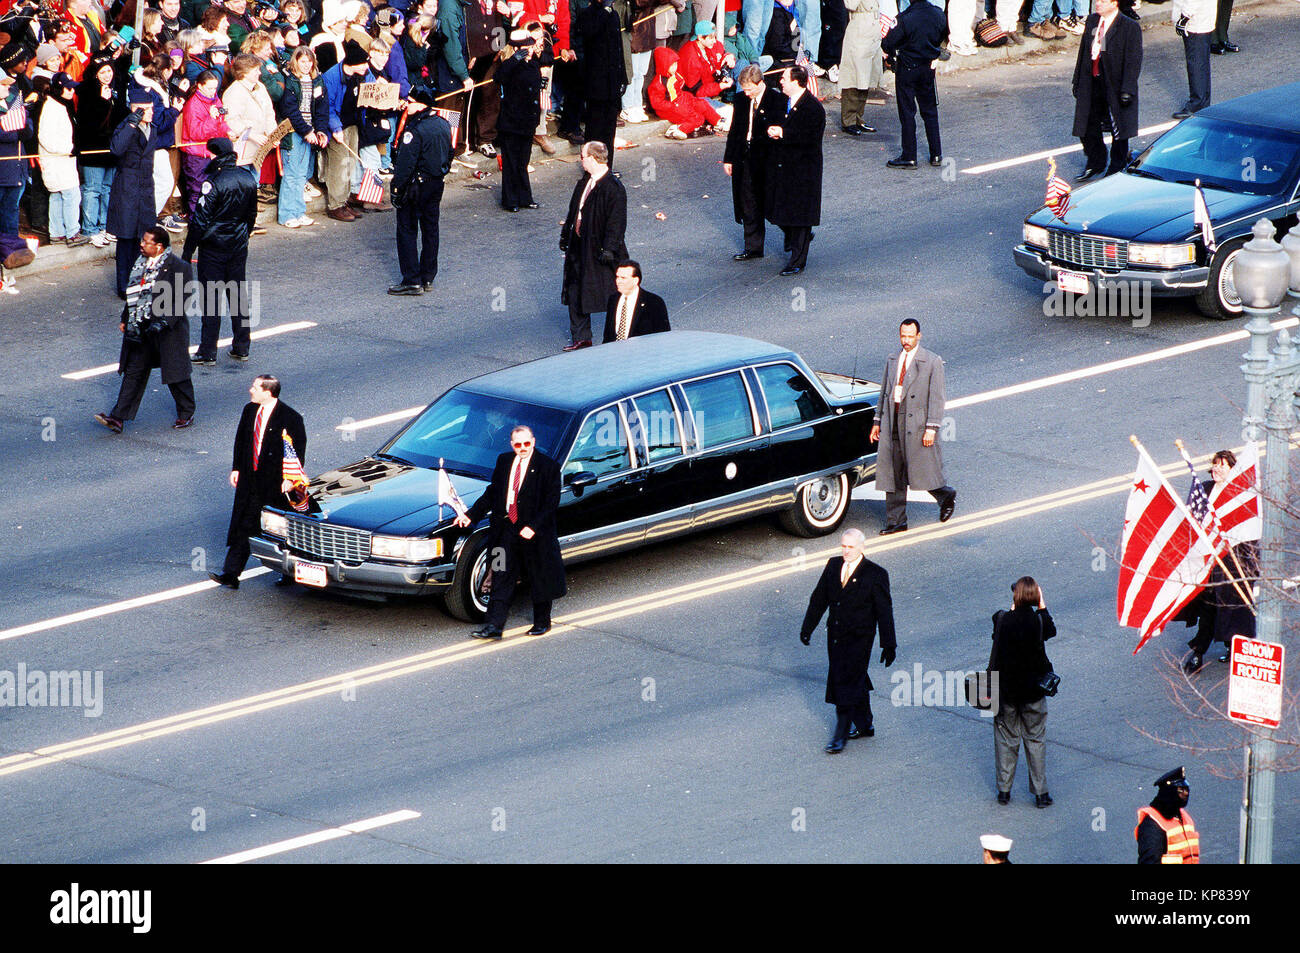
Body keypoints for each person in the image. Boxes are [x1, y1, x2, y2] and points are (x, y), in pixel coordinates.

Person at [453, 425, 567, 639]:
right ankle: (494, 626)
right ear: (511, 444)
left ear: (533, 442)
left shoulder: (547, 467)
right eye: (518, 444)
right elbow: (492, 492)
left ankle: (542, 622)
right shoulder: (504, 461)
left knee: (538, 575)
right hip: (504, 531)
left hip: (532, 534)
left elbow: (551, 503)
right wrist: (471, 514)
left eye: (526, 443)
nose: (522, 448)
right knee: (500, 574)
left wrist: (533, 527)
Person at [799, 527, 897, 753]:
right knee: (854, 678)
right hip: (835, 636)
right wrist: (808, 628)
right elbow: (819, 599)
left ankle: (840, 732)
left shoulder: (875, 574)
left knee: (844, 681)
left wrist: (888, 644)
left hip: (859, 639)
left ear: (862, 548)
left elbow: (884, 611)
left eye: (851, 547)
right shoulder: (833, 566)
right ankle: (865, 724)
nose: (846, 551)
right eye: (843, 546)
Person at [94, 227, 198, 434]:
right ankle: (118, 417)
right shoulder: (140, 263)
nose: (141, 244)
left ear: (159, 246)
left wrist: (164, 322)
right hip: (141, 328)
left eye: (146, 242)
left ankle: (186, 412)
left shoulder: (179, 267)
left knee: (176, 374)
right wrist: (126, 318)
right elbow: (134, 294)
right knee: (134, 371)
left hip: (166, 330)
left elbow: (181, 300)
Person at [212, 374, 308, 589]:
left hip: (273, 482)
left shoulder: (290, 417)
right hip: (250, 478)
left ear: (268, 392)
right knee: (244, 523)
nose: (250, 390)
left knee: (280, 529)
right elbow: (241, 441)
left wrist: (290, 480)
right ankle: (231, 574)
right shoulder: (250, 410)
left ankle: (289, 572)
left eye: (255, 387)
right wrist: (236, 468)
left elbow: (296, 452)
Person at [869, 319, 955, 533]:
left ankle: (945, 495)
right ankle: (896, 521)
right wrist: (877, 422)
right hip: (893, 421)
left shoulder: (932, 361)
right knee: (893, 472)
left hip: (916, 425)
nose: (905, 341)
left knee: (921, 470)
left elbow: (937, 398)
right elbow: (884, 393)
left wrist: (931, 428)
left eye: (910, 336)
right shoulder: (892, 359)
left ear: (919, 336)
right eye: (903, 336)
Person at [1178, 449, 1259, 674]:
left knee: (1234, 608)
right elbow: (1191, 519)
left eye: (1223, 465)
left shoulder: (1241, 495)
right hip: (1209, 562)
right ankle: (1198, 653)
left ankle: (1234, 646)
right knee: (1208, 607)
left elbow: (1249, 533)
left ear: (1233, 470)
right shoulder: (1204, 489)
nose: (1217, 469)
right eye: (1215, 464)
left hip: (1235, 563)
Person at [183, 136, 259, 364]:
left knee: (211, 300)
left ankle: (208, 351)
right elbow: (252, 214)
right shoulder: (247, 178)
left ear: (216, 155)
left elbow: (199, 221)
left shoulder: (213, 182)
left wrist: (188, 252)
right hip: (237, 245)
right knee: (237, 296)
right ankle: (242, 346)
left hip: (213, 249)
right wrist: (243, 235)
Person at [990, 576, 1056, 808]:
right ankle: (1040, 793)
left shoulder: (1002, 620)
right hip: (1033, 692)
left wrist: (1012, 607)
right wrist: (1042, 604)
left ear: (1015, 596)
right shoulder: (1038, 622)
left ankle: (1004, 791)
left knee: (1006, 740)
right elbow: (1051, 630)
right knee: (1035, 739)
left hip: (1007, 692)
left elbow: (997, 636)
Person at [559, 140, 627, 351]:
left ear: (594, 159)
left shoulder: (613, 188)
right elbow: (575, 211)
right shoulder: (585, 182)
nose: (581, 161)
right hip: (579, 244)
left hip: (600, 249)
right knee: (575, 289)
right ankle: (582, 338)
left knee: (611, 292)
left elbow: (616, 222)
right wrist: (566, 235)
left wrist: (609, 249)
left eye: (583, 157)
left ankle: (620, 333)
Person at [106, 86, 173, 298]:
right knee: (126, 240)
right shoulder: (126, 126)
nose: (151, 112)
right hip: (127, 188)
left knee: (143, 238)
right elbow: (116, 149)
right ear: (135, 109)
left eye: (151, 108)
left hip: (144, 188)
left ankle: (141, 279)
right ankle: (124, 285)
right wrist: (132, 122)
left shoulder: (151, 128)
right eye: (145, 109)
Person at [387, 84, 452, 294]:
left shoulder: (414, 130)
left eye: (411, 102)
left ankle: (411, 279)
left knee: (407, 230)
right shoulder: (444, 124)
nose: (407, 105)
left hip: (415, 186)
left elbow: (405, 165)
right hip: (436, 183)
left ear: (420, 104)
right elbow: (449, 153)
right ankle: (428, 277)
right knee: (431, 229)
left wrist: (396, 189)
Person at [1071, 0, 1141, 181]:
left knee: (1119, 127)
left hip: (1114, 83)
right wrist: (1077, 79)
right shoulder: (1093, 21)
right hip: (1092, 80)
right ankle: (1095, 162)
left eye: (1103, 1)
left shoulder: (1128, 27)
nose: (1097, 3)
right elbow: (1084, 52)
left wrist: (1128, 89)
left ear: (1115, 3)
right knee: (1087, 124)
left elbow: (1133, 61)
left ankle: (1117, 165)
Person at [764, 65, 823, 277]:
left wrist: (784, 133)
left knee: (800, 217)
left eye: (784, 78)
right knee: (776, 210)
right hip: (783, 167)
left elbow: (809, 138)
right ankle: (798, 237)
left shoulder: (813, 108)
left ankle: (797, 261)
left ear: (796, 82)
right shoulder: (785, 102)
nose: (780, 81)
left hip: (803, 170)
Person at [723, 64, 777, 260]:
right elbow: (734, 131)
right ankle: (753, 247)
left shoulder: (775, 100)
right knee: (748, 201)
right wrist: (729, 159)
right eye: (743, 89)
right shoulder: (741, 100)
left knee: (773, 200)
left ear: (760, 83)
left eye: (749, 89)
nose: (746, 93)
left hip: (766, 159)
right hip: (744, 155)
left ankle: (796, 235)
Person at [881, 0, 945, 169]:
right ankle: (936, 154)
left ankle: (909, 156)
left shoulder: (905, 18)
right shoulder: (938, 13)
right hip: (928, 67)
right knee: (930, 110)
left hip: (908, 68)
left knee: (907, 112)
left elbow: (887, 43)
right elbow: (942, 35)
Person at [494, 27, 551, 213]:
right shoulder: (510, 65)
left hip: (527, 120)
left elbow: (548, 57)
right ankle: (510, 199)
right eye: (527, 46)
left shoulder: (533, 64)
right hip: (511, 121)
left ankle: (525, 197)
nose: (531, 49)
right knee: (511, 161)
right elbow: (499, 77)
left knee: (523, 161)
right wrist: (515, 59)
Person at [577, 0, 625, 167]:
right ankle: (591, 167)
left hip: (612, 81)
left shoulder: (613, 14)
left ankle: (607, 167)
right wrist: (604, 11)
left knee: (609, 130)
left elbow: (619, 47)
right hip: (596, 82)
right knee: (595, 129)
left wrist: (623, 77)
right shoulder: (587, 14)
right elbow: (590, 32)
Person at [1136, 767, 1200, 864]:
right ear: (1169, 792)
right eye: (1180, 790)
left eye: (1186, 790)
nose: (1185, 794)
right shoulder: (1152, 824)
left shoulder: (1183, 816)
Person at [838, 0, 882, 136]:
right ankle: (848, 120)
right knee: (853, 76)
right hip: (859, 30)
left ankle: (858, 117)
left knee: (866, 78)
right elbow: (850, 5)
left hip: (873, 30)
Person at [602, 260, 669, 342]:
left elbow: (663, 336)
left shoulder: (654, 302)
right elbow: (608, 335)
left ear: (635, 280)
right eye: (617, 277)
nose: (618, 281)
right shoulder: (613, 300)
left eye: (623, 278)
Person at [1170, 0, 1213, 119]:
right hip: (1201, 18)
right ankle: (1203, 101)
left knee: (1196, 64)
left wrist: (1184, 17)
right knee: (1201, 63)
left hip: (1195, 22)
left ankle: (1197, 104)